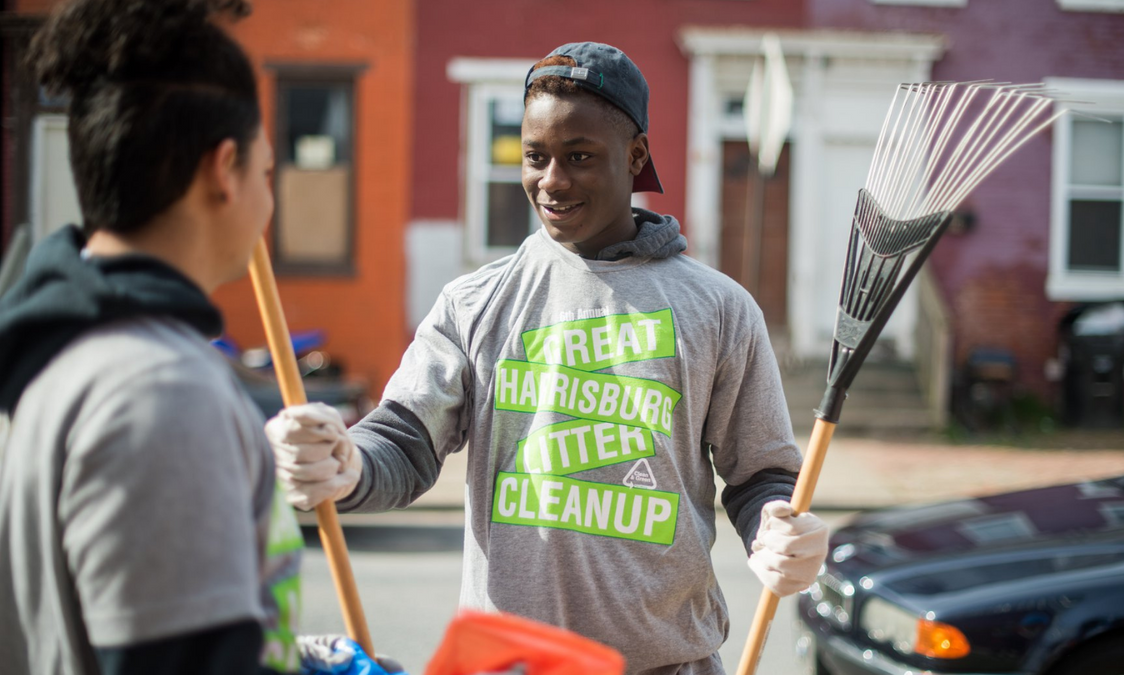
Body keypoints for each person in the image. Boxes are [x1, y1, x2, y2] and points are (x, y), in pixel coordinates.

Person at [267, 42, 829, 675]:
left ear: (636, 156)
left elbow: (760, 476)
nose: (552, 181)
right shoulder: (475, 301)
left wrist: (777, 533)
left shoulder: (719, 308)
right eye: (535, 157)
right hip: (508, 664)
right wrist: (345, 465)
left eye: (580, 157)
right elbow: (404, 442)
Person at [0, 2, 395, 674]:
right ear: (223, 170)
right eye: (266, 173)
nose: (267, 204)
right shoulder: (162, 392)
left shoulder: (54, 358)